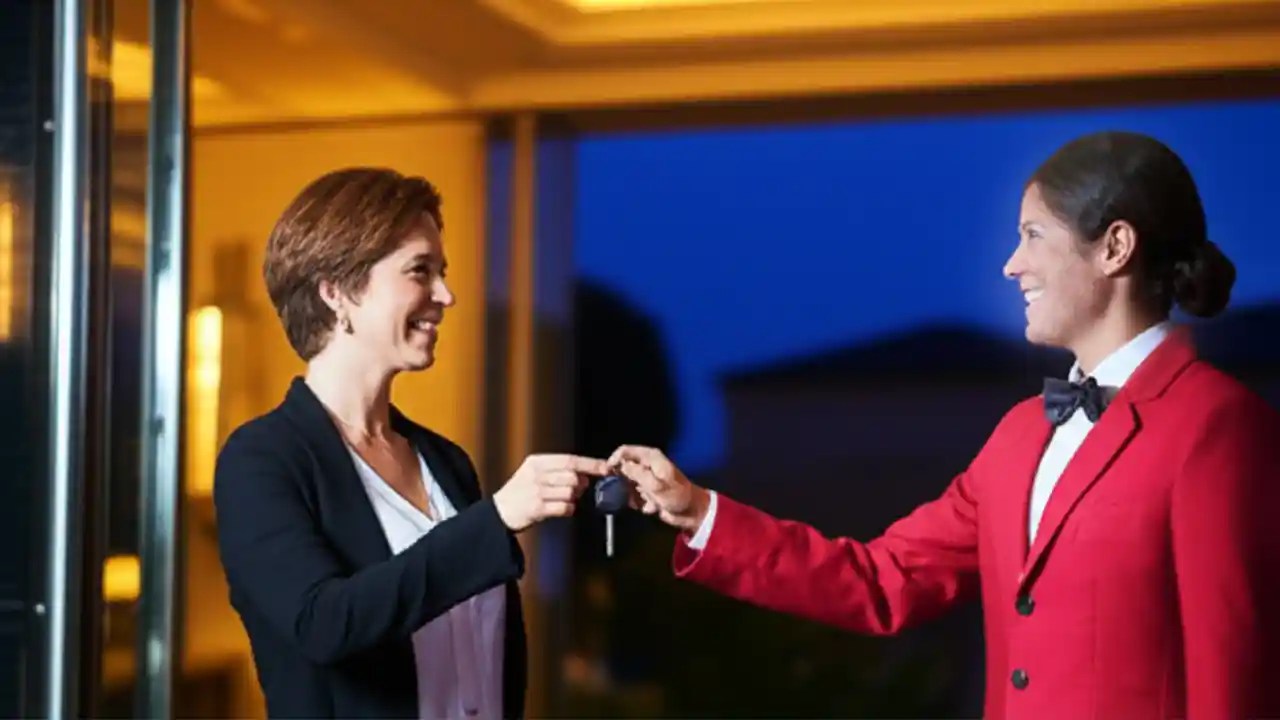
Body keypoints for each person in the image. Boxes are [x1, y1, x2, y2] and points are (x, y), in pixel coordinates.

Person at [610, 131, 1280, 720]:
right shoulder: (1020, 433)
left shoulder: (1218, 426)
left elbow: (1236, 680)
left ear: (1115, 247)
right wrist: (698, 510)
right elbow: (881, 580)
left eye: (1032, 235)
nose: (1012, 264)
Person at [213, 167, 609, 719]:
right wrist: (495, 519)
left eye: (441, 272)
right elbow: (324, 624)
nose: (446, 295)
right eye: (420, 271)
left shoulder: (445, 462)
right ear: (336, 292)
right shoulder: (261, 460)